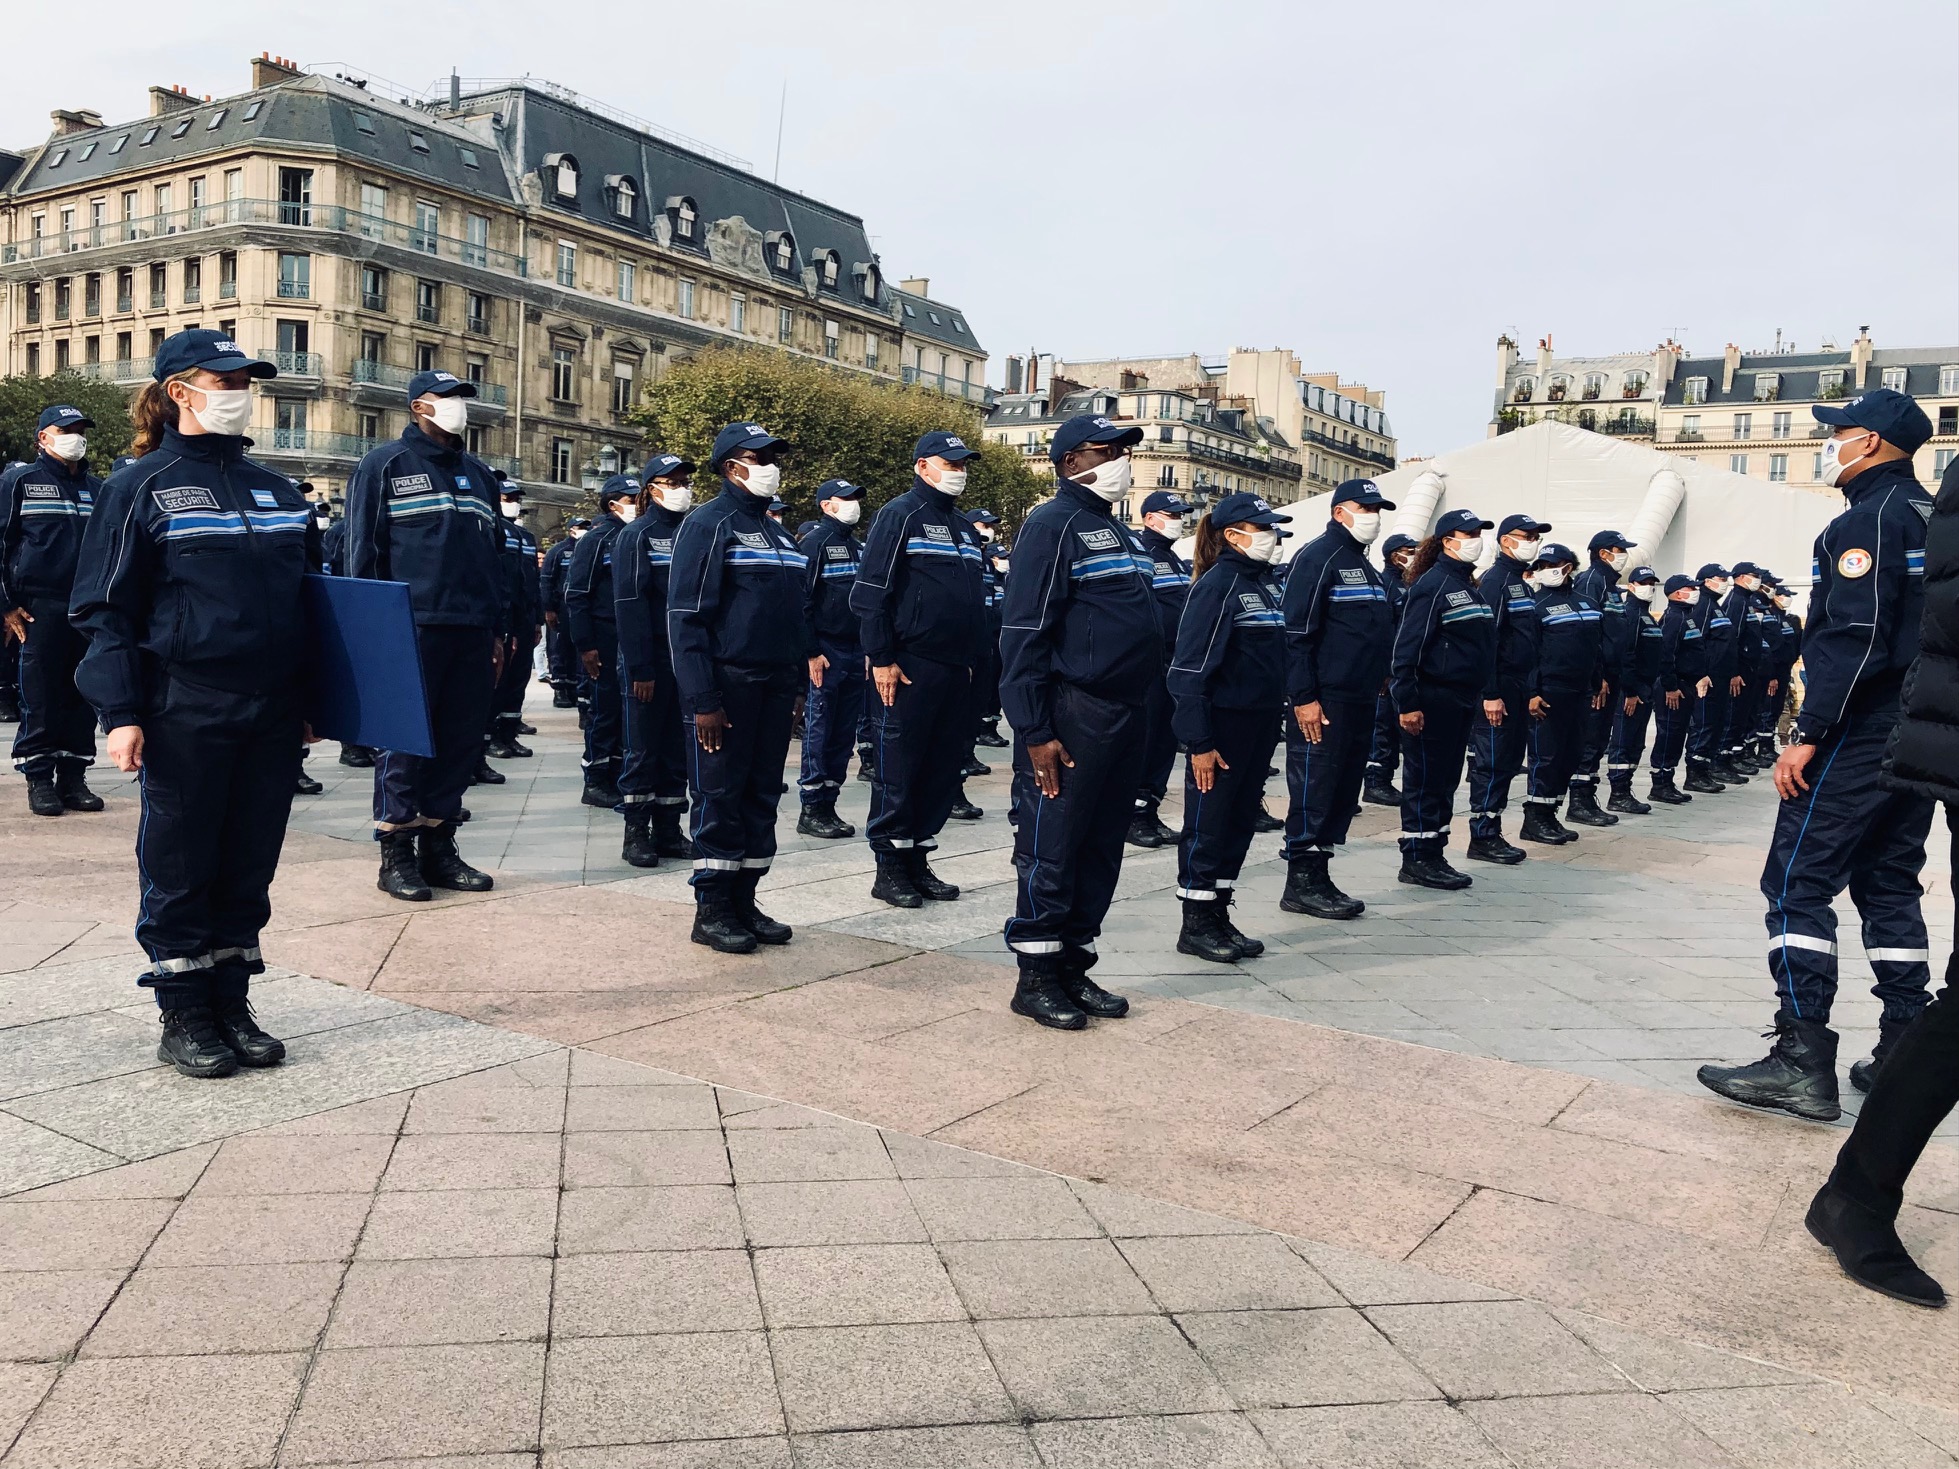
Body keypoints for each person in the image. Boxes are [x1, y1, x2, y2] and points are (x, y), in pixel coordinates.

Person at [68, 328, 316, 1077]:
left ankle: (232, 999)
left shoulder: (278, 490)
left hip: (271, 708)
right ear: (180, 391)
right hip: (185, 703)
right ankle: (184, 1010)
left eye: (247, 381)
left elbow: (316, 605)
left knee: (248, 859)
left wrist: (314, 700)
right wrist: (121, 712)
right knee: (181, 859)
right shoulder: (136, 485)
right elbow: (103, 608)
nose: (240, 392)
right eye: (226, 379)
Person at [1699, 388, 1937, 1123]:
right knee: (1889, 880)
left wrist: (1808, 732)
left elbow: (1853, 636)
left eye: (1836, 433)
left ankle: (1802, 1057)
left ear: (1867, 442)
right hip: (1919, 728)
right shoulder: (1932, 515)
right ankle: (1904, 1043)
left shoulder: (1863, 519)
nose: (1826, 444)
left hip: (1860, 726)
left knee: (1796, 883)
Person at [1802, 453, 1959, 1310]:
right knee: (1803, 887)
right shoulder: (1885, 514)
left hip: (1898, 736)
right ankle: (1854, 1192)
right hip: (1892, 736)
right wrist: (1811, 728)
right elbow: (1859, 634)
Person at [999, 412, 1162, 1029]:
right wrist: (1035, 729)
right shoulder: (1052, 524)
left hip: (1128, 709)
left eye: (1124, 450)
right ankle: (1036, 973)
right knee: (1053, 843)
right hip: (1074, 709)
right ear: (1070, 461)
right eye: (1106, 449)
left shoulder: (1116, 531)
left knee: (1099, 845)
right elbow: (1023, 635)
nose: (1120, 459)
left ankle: (1074, 963)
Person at [344, 369, 507, 902]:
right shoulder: (384, 465)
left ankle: (440, 846)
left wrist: (497, 629)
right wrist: (369, 630)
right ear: (419, 407)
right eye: (450, 397)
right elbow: (363, 552)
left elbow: (494, 558)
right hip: (410, 626)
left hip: (472, 629)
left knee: (460, 741)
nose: (461, 405)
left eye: (465, 396)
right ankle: (396, 853)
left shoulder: (481, 474)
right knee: (405, 742)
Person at [667, 422, 809, 952]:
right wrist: (702, 699)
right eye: (761, 456)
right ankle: (713, 908)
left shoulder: (777, 532)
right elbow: (687, 619)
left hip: (774, 685)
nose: (772, 465)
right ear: (732, 466)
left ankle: (745, 898)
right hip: (728, 684)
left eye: (775, 455)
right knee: (719, 793)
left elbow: (795, 617)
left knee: (761, 793)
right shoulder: (709, 524)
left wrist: (795, 685)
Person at [850, 431, 988, 908]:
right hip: (908, 664)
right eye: (950, 463)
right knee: (899, 767)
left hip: (954, 668)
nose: (960, 471)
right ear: (922, 466)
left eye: (963, 463)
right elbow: (870, 595)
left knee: (941, 769)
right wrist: (883, 657)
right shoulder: (899, 514)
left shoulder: (966, 529)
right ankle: (889, 866)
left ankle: (918, 857)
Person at [1168, 494, 1290, 961]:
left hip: (1258, 725)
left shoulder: (1263, 585)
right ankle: (1195, 922)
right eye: (1261, 528)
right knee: (1209, 823)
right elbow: (1189, 671)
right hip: (1222, 727)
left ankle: (1218, 911)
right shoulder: (1219, 585)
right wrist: (1199, 741)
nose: (1270, 536)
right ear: (1232, 535)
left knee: (1239, 821)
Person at [1278, 478, 1395, 919]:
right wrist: (1304, 696)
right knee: (1316, 787)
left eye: (1377, 509)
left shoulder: (1361, 564)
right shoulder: (1318, 557)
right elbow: (1296, 634)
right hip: (1324, 701)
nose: (1373, 517)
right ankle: (1302, 880)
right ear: (1338, 512)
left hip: (1360, 696)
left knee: (1343, 789)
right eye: (1364, 508)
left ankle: (1321, 872)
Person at [1, 405, 104, 816]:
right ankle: (39, 778)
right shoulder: (19, 482)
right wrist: (7, 607)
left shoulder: (99, 489)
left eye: (81, 430)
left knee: (83, 694)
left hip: (87, 607)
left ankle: (74, 777)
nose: (76, 437)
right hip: (38, 608)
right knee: (41, 695)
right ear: (43, 437)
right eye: (67, 430)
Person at [1388, 508, 1498, 890]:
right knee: (1425, 780)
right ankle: (1416, 857)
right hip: (1432, 698)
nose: (1476, 541)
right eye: (1468, 535)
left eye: (1478, 533)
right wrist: (1408, 702)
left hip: (1460, 699)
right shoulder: (1432, 585)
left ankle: (1435, 851)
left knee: (1446, 780)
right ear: (1448, 541)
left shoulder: (1467, 585)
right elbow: (1407, 649)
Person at [613, 453, 697, 867]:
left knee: (676, 750)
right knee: (643, 749)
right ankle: (635, 833)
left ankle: (668, 829)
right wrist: (640, 667)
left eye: (684, 481)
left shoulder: (692, 532)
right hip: (648, 661)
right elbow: (630, 605)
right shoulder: (637, 535)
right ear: (651, 489)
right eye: (672, 481)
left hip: (684, 660)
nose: (681, 488)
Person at [1466, 513, 1549, 864]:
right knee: (1493, 761)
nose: (1532, 541)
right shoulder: (1495, 581)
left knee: (1510, 760)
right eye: (1525, 535)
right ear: (1505, 541)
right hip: (1498, 688)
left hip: (1517, 686)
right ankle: (1482, 834)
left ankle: (1493, 827)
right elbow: (1487, 642)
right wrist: (1491, 693)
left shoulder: (1520, 583)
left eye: (1535, 536)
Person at [1517, 544, 1606, 845]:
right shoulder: (1535, 605)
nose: (1546, 570)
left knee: (1571, 755)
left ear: (1568, 567)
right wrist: (1531, 692)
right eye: (1541, 565)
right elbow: (1528, 653)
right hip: (1549, 692)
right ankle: (1535, 818)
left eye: (1552, 564)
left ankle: (1551, 812)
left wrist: (1598, 679)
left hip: (1580, 691)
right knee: (1546, 756)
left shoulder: (1588, 603)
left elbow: (1595, 647)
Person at [796, 477, 868, 840]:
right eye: (846, 498)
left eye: (855, 498)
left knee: (843, 732)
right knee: (820, 728)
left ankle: (830, 801)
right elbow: (801, 603)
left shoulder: (858, 546)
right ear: (826, 505)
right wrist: (811, 651)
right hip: (826, 650)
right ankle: (811, 806)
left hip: (855, 650)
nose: (853, 503)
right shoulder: (815, 544)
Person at [565, 476, 639, 808]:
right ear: (613, 504)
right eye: (631, 498)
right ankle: (595, 780)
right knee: (605, 710)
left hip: (632, 637)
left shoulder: (636, 535)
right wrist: (585, 644)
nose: (639, 503)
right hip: (605, 636)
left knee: (628, 712)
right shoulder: (597, 540)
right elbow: (577, 594)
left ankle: (620, 773)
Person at [1128, 490, 1193, 848]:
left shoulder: (1174, 558)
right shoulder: (1144, 554)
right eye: (1173, 514)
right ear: (1151, 518)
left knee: (1165, 743)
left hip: (1174, 663)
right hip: (1152, 663)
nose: (1179, 520)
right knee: (1148, 740)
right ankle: (1133, 815)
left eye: (1181, 514)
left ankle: (1149, 809)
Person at [1566, 529, 1636, 826]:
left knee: (1598, 739)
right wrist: (1598, 674)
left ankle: (1587, 796)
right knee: (1589, 740)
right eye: (1620, 550)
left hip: (1611, 673)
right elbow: (1586, 631)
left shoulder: (1609, 584)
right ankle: (1579, 800)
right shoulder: (1591, 581)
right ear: (1604, 553)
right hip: (1599, 677)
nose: (1624, 556)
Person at [949, 504, 1008, 822]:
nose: (987, 530)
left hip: (980, 648)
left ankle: (954, 785)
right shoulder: (962, 557)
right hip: (953, 652)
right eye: (982, 524)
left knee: (968, 717)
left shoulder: (983, 561)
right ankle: (948, 791)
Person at [486, 476, 541, 764]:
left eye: (515, 499)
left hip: (524, 615)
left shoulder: (525, 537)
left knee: (518, 677)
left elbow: (533, 580)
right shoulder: (494, 530)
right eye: (507, 499)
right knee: (499, 678)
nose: (513, 504)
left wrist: (537, 620)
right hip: (504, 615)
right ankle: (491, 735)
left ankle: (509, 732)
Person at [1362, 533, 1418, 805]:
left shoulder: (1408, 585)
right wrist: (1384, 669)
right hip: (1387, 670)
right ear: (1393, 554)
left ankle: (1385, 777)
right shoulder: (1385, 585)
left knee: (1394, 729)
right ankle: (1375, 781)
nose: (1413, 556)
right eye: (1408, 551)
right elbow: (1382, 631)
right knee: (1381, 727)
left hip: (1402, 668)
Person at [1603, 565, 1665, 813]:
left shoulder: (1646, 615)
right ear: (1631, 586)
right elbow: (1625, 655)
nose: (1649, 587)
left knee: (1636, 742)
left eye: (1652, 582)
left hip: (1645, 689)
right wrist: (1630, 691)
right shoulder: (1630, 614)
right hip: (1631, 691)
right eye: (1643, 582)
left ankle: (1625, 790)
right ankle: (1617, 793)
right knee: (1623, 740)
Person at [1646, 575, 1710, 805]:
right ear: (1675, 593)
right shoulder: (1674, 618)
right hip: (1674, 687)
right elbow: (1665, 655)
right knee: (1669, 734)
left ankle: (1668, 780)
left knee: (1677, 735)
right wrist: (1670, 686)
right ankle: (1660, 783)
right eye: (1690, 588)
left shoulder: (1687, 617)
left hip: (1686, 685)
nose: (1695, 591)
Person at [1684, 562, 1741, 793]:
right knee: (1704, 725)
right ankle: (1694, 773)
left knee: (1715, 725)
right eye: (1720, 578)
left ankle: (1706, 769)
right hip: (1707, 680)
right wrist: (1701, 674)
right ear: (1707, 582)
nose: (1725, 582)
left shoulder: (1715, 606)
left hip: (1720, 678)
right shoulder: (1703, 606)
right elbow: (1696, 643)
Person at [1722, 562, 1778, 773]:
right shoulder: (1737, 601)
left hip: (1751, 669)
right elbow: (1732, 639)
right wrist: (1734, 671)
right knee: (1734, 715)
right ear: (1739, 578)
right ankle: (1727, 759)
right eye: (1753, 575)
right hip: (1740, 671)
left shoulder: (1744, 601)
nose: (1757, 580)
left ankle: (1737, 754)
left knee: (1744, 715)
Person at [971, 508, 1011, 750]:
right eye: (983, 525)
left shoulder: (995, 571)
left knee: (994, 684)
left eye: (991, 526)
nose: (989, 530)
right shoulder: (975, 561)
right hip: (978, 636)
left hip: (997, 637)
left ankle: (988, 728)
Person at [540, 519, 587, 709]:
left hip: (579, 608)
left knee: (578, 647)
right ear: (570, 530)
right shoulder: (558, 551)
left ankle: (574, 688)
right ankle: (559, 688)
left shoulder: (587, 548)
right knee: (559, 648)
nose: (583, 531)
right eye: (579, 527)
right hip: (561, 608)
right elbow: (546, 581)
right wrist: (548, 608)